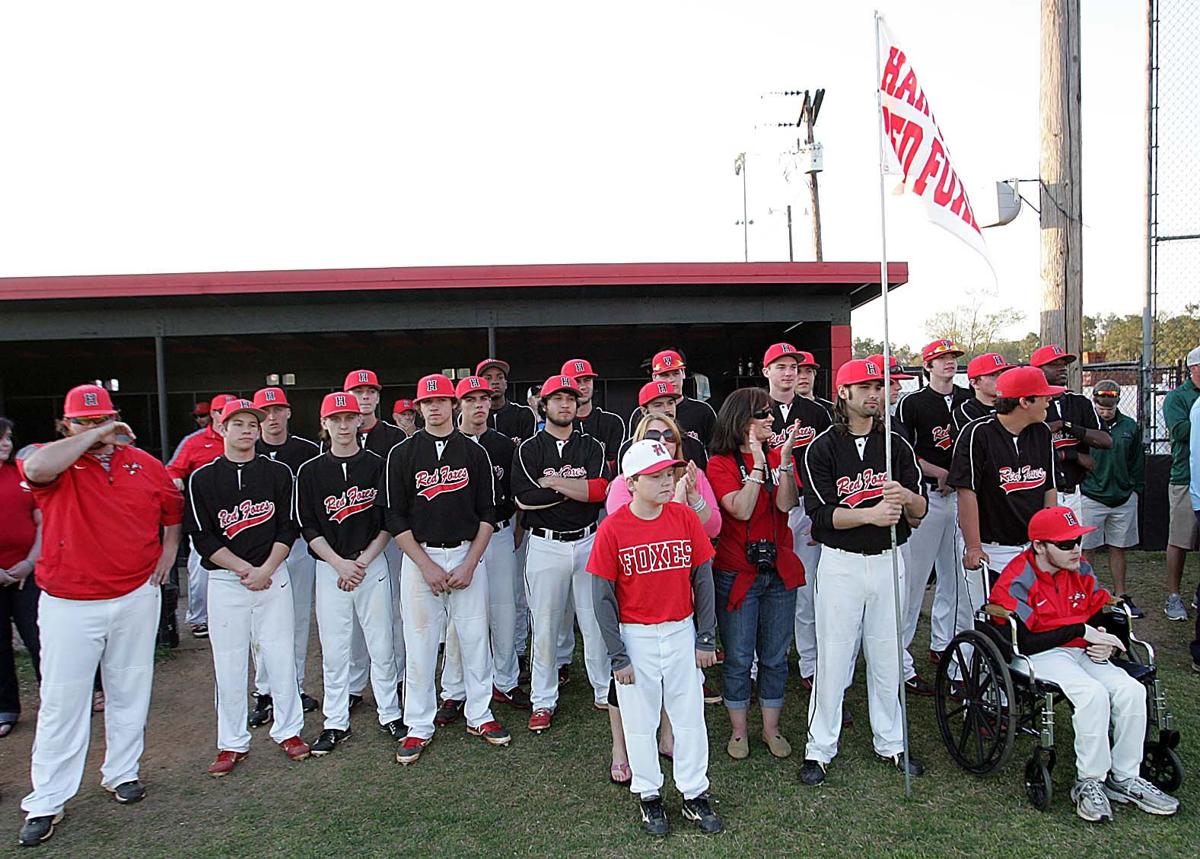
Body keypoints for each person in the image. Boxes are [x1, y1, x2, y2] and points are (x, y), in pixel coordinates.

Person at [16, 385, 182, 846]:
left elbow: (171, 510)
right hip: (70, 599)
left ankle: (122, 771)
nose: (96, 428)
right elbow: (35, 469)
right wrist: (94, 436)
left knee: (130, 687)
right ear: (66, 425)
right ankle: (47, 798)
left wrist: (169, 550)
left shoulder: (143, 463)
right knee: (62, 700)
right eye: (84, 421)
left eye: (103, 419)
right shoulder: (58, 461)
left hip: (134, 592)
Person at [990, 506, 1179, 822]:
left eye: (1078, 540)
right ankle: (1089, 782)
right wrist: (1080, 631)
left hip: (1082, 650)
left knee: (1131, 691)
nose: (1076, 549)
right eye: (1065, 544)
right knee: (1092, 694)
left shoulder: (1081, 569)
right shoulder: (1016, 579)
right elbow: (1024, 641)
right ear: (1039, 546)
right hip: (1038, 656)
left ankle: (1126, 777)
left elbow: (1100, 612)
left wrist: (1105, 638)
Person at [798, 359, 927, 786]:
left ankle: (891, 742)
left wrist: (905, 496)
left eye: (879, 387)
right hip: (841, 563)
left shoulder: (896, 444)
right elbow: (820, 516)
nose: (875, 394)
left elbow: (920, 510)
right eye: (866, 387)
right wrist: (871, 514)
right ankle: (820, 748)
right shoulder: (821, 447)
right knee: (834, 656)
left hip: (890, 559)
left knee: (887, 654)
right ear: (844, 393)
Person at [590, 440, 722, 838]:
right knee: (640, 720)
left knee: (689, 716)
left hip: (681, 628)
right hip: (636, 635)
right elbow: (602, 596)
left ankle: (694, 792)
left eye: (669, 474)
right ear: (631, 483)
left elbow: (703, 577)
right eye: (655, 476)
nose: (667, 482)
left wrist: (705, 636)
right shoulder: (613, 528)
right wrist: (617, 655)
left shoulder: (683, 518)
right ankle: (649, 794)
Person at [378, 374, 510, 765]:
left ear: (453, 405)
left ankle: (480, 714)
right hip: (420, 557)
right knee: (420, 643)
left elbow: (489, 513)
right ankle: (418, 725)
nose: (434, 407)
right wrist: (425, 565)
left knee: (474, 638)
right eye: (427, 402)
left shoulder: (473, 452)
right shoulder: (402, 453)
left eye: (440, 401)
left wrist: (471, 563)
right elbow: (393, 516)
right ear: (419, 408)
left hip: (466, 553)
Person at [185, 398, 311, 777]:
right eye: (237, 423)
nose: (246, 430)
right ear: (221, 428)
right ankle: (232, 741)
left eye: (251, 424)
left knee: (280, 653)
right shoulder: (203, 478)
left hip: (273, 574)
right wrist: (244, 569)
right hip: (227, 580)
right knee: (229, 660)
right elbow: (202, 537)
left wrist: (266, 568)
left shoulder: (278, 473)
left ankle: (289, 730)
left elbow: (288, 527)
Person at [295, 392, 403, 756]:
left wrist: (363, 560)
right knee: (335, 648)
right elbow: (308, 526)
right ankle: (335, 721)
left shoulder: (377, 465)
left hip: (371, 564)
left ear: (360, 421)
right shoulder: (310, 471)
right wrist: (339, 563)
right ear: (324, 424)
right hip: (330, 568)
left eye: (348, 418)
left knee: (382, 643)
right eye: (335, 419)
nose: (343, 425)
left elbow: (387, 521)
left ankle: (390, 713)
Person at [706, 387, 804, 761]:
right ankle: (739, 731)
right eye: (762, 413)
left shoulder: (779, 455)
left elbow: (786, 504)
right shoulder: (720, 463)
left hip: (778, 570)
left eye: (770, 412)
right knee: (738, 656)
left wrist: (785, 462)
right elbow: (741, 509)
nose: (771, 418)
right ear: (742, 419)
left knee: (776, 656)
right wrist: (758, 463)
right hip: (737, 573)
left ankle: (771, 728)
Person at [512, 375, 611, 732]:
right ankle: (543, 699)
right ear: (544, 405)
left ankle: (604, 690)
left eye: (570, 398)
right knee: (545, 626)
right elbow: (525, 498)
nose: (565, 404)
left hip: (587, 541)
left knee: (595, 621)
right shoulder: (528, 448)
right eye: (557, 398)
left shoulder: (591, 445)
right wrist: (577, 489)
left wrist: (553, 482)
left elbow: (599, 491)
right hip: (545, 544)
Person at [440, 375, 529, 714]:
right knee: (458, 617)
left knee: (504, 608)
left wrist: (517, 528)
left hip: (500, 533)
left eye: (484, 399)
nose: (479, 405)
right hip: (462, 540)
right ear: (458, 405)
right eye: (471, 399)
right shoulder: (447, 444)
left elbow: (517, 494)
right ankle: (454, 689)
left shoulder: (504, 445)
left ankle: (505, 680)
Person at [895, 339, 970, 678]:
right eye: (941, 358)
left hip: (962, 496)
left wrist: (958, 477)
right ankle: (901, 658)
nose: (948, 362)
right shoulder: (913, 402)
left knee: (956, 580)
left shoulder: (968, 399)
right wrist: (940, 472)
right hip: (927, 496)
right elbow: (904, 451)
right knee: (914, 581)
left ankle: (944, 645)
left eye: (952, 357)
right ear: (927, 366)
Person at [248, 386, 322, 725]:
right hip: (261, 549)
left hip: (299, 546)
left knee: (297, 618)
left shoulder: (307, 450)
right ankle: (264, 690)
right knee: (259, 623)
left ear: (288, 412)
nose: (272, 417)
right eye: (265, 412)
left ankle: (294, 685)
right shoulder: (248, 450)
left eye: (278, 409)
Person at [761, 342, 831, 688]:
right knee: (761, 586)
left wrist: (821, 515)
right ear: (766, 372)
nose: (790, 373)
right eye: (782, 366)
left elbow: (831, 464)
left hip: (805, 507)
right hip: (765, 508)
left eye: (794, 367)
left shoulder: (817, 412)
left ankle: (810, 663)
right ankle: (759, 663)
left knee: (806, 589)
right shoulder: (755, 408)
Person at [949, 365, 1060, 577]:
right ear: (1024, 402)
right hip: (991, 548)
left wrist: (1048, 538)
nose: (1049, 401)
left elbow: (1050, 487)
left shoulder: (1042, 432)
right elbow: (966, 492)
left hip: (1032, 545)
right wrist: (974, 547)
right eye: (1043, 396)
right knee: (987, 599)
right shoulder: (978, 433)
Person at [343, 369, 407, 708]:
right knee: (353, 615)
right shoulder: (337, 434)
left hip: (390, 536)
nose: (365, 397)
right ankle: (355, 685)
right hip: (350, 537)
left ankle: (397, 678)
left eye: (370, 391)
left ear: (378, 397)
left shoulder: (394, 437)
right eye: (358, 391)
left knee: (394, 610)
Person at [167, 392, 234, 638]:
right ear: (213, 414)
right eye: (220, 411)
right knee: (200, 568)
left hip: (239, 512)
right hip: (205, 514)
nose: (224, 415)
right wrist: (176, 479)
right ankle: (199, 618)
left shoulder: (246, 435)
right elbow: (172, 469)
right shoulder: (194, 441)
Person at [1080, 380, 1145, 617]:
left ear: (1117, 403)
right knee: (1087, 548)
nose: (1105, 411)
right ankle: (1086, 594)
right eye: (1101, 407)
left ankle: (1121, 595)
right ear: (1094, 403)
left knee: (1119, 547)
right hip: (1091, 495)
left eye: (1110, 407)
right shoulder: (1086, 427)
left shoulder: (1129, 426)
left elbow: (1136, 459)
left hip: (1122, 496)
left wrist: (1135, 489)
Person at [1033, 344, 1112, 520]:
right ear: (1037, 370)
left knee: (1075, 538)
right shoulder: (1030, 404)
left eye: (1064, 364)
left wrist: (1066, 426)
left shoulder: (1080, 402)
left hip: (1073, 491)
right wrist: (1068, 454)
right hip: (1040, 493)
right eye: (1054, 365)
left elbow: (1106, 441)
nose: (1062, 368)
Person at [0, 417, 41, 737]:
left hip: (27, 574)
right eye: (0, 438)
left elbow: (42, 520)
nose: (6, 443)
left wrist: (29, 562)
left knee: (39, 638)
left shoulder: (21, 473)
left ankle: (56, 700)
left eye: (8, 437)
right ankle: (6, 707)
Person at [1162, 345, 1200, 621]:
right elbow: (1180, 430)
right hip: (1185, 477)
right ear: (1194, 368)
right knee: (1180, 539)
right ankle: (1173, 595)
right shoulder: (1177, 397)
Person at [626, 350, 717, 447]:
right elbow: (633, 448)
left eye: (676, 373)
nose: (671, 379)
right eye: (665, 375)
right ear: (654, 377)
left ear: (683, 373)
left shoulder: (702, 410)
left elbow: (716, 447)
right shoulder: (642, 412)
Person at [617, 381, 708, 469]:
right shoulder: (630, 448)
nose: (667, 409)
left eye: (670, 403)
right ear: (644, 410)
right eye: (658, 405)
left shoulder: (693, 445)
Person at [564, 358, 625, 473]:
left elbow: (615, 465)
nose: (583, 386)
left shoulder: (612, 421)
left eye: (587, 380)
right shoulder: (559, 424)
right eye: (577, 381)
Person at [478, 358, 537, 445]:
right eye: (488, 378)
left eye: (500, 377)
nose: (495, 382)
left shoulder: (524, 413)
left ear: (506, 384)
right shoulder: (472, 416)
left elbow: (530, 449)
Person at [954, 353, 1011, 432]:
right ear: (974, 383)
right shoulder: (966, 411)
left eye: (1003, 373)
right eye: (993, 375)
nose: (1001, 379)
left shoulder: (1014, 404)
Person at [792, 349, 834, 415]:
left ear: (814, 374)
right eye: (798, 372)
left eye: (808, 371)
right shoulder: (783, 410)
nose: (803, 376)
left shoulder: (831, 409)